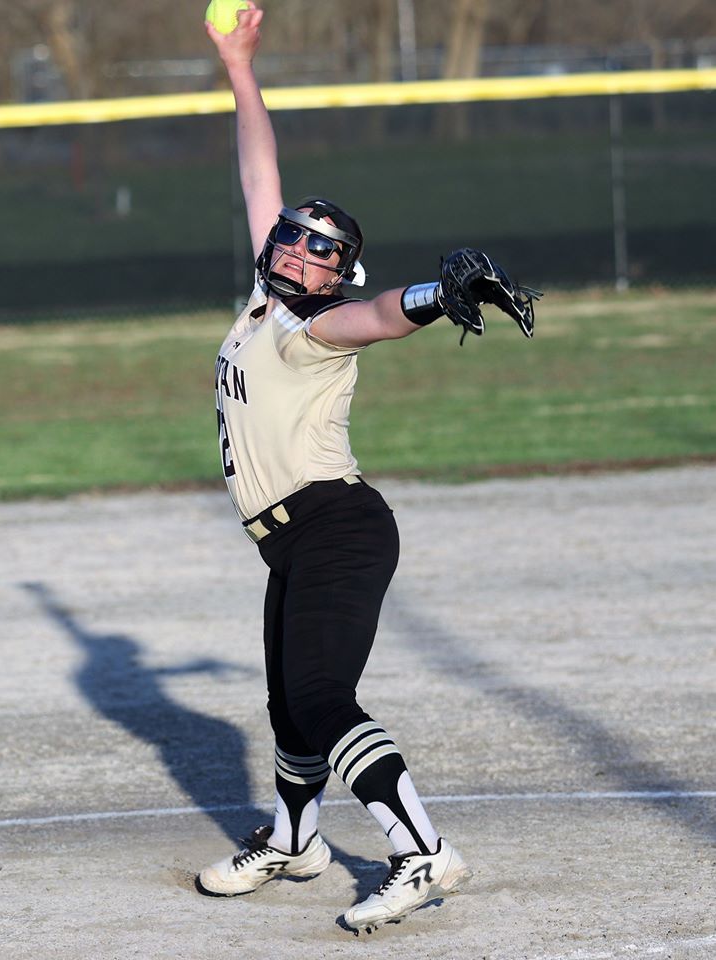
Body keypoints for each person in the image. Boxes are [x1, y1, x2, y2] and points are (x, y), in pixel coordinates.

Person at [197, 3, 536, 933]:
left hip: (335, 527)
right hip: (292, 542)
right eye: (292, 234)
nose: (296, 245)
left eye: (320, 246)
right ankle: (296, 841)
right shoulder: (265, 302)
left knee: (318, 695)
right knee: (288, 706)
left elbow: (377, 315)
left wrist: (435, 292)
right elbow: (257, 169)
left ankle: (422, 852)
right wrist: (239, 66)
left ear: (333, 273)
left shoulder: (314, 327)